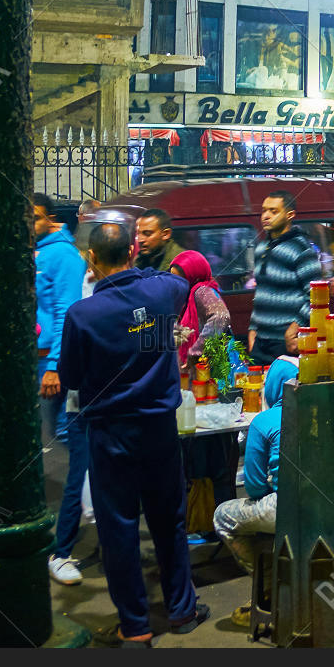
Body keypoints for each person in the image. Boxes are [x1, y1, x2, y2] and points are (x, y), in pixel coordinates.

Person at [59, 220, 209, 645]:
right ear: (133, 251)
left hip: (110, 434)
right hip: (160, 428)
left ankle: (136, 628)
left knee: (119, 529)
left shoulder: (82, 314)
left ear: (91, 259)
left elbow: (69, 376)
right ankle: (181, 611)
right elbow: (184, 273)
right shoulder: (162, 291)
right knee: (169, 521)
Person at [213, 327, 295, 628]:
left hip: (283, 507)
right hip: (328, 503)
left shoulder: (262, 421)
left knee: (225, 515)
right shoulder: (318, 409)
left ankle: (269, 592)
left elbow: (256, 486)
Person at [34, 194, 93, 586]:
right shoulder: (40, 254)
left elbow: (65, 313)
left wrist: (55, 366)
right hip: (47, 365)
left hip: (66, 374)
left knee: (78, 452)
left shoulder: (65, 258)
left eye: (33, 216)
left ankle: (62, 547)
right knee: (66, 441)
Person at [248, 190, 322, 366]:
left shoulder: (301, 249)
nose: (266, 216)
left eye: (274, 211)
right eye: (264, 210)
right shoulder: (261, 248)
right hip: (260, 342)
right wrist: (252, 328)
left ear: (290, 215)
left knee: (285, 391)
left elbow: (316, 297)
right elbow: (261, 291)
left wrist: (296, 327)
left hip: (286, 343)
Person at [170, 250, 231, 373]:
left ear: (194, 276)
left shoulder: (202, 292)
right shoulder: (187, 295)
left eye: (180, 279)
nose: (174, 284)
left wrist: (197, 350)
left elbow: (221, 316)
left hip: (209, 365)